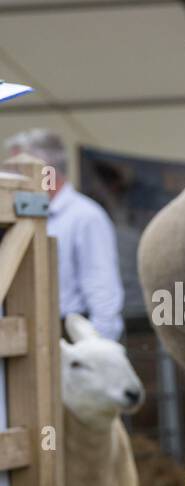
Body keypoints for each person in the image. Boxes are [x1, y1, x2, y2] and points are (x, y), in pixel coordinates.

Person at [4, 129, 123, 340]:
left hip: (68, 336)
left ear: (47, 173)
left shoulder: (86, 216)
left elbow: (103, 294)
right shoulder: (16, 217)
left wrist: (94, 350)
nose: (10, 181)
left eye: (17, 172)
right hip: (25, 334)